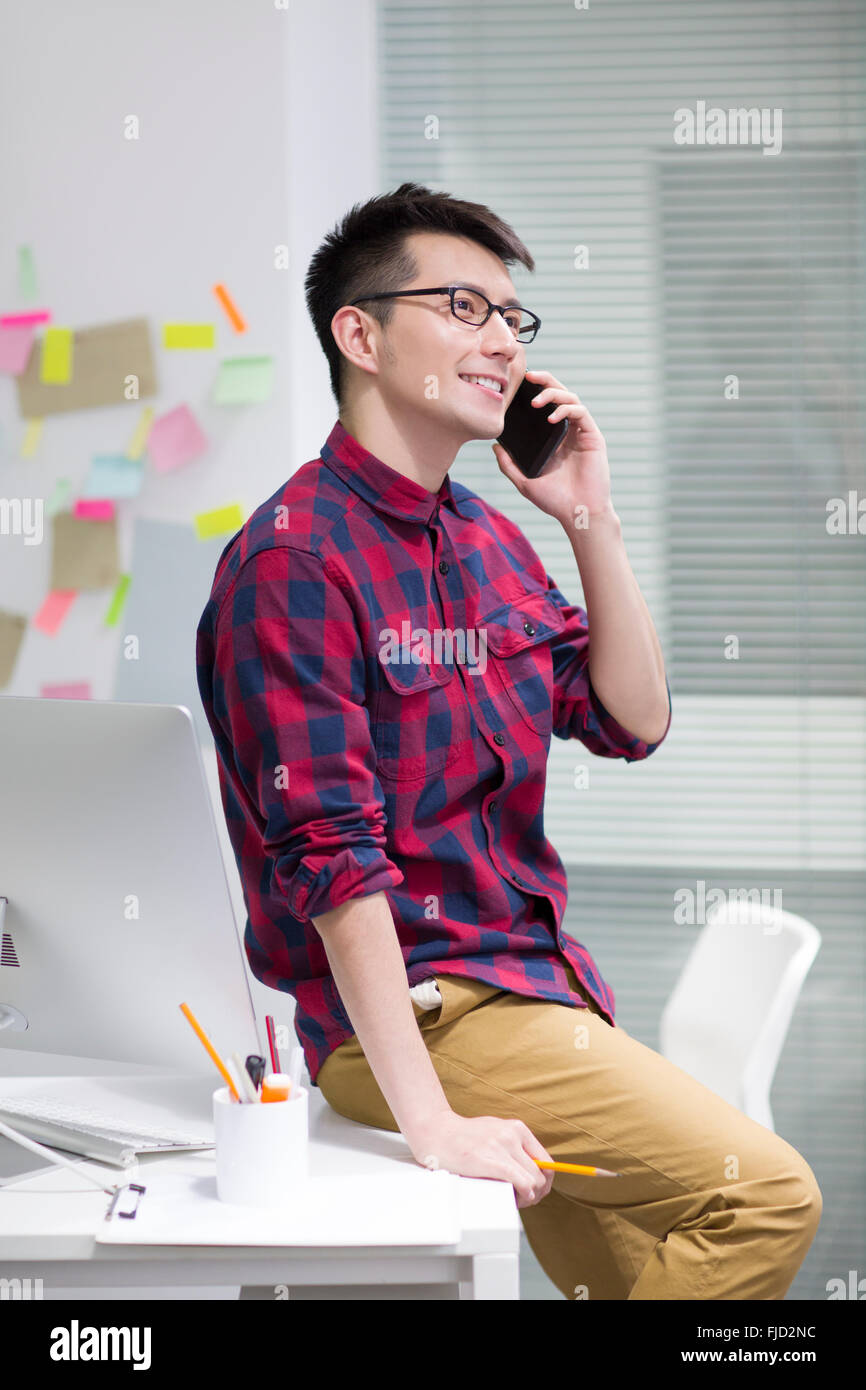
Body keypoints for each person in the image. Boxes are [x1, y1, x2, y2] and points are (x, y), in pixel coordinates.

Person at [196, 182, 821, 1299]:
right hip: (423, 1014)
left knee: (628, 1284)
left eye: (511, 319)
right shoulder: (295, 560)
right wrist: (430, 1119)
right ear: (361, 333)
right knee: (760, 1196)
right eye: (464, 307)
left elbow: (630, 720)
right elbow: (333, 865)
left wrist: (588, 517)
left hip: (535, 993)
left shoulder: (485, 538)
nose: (502, 342)